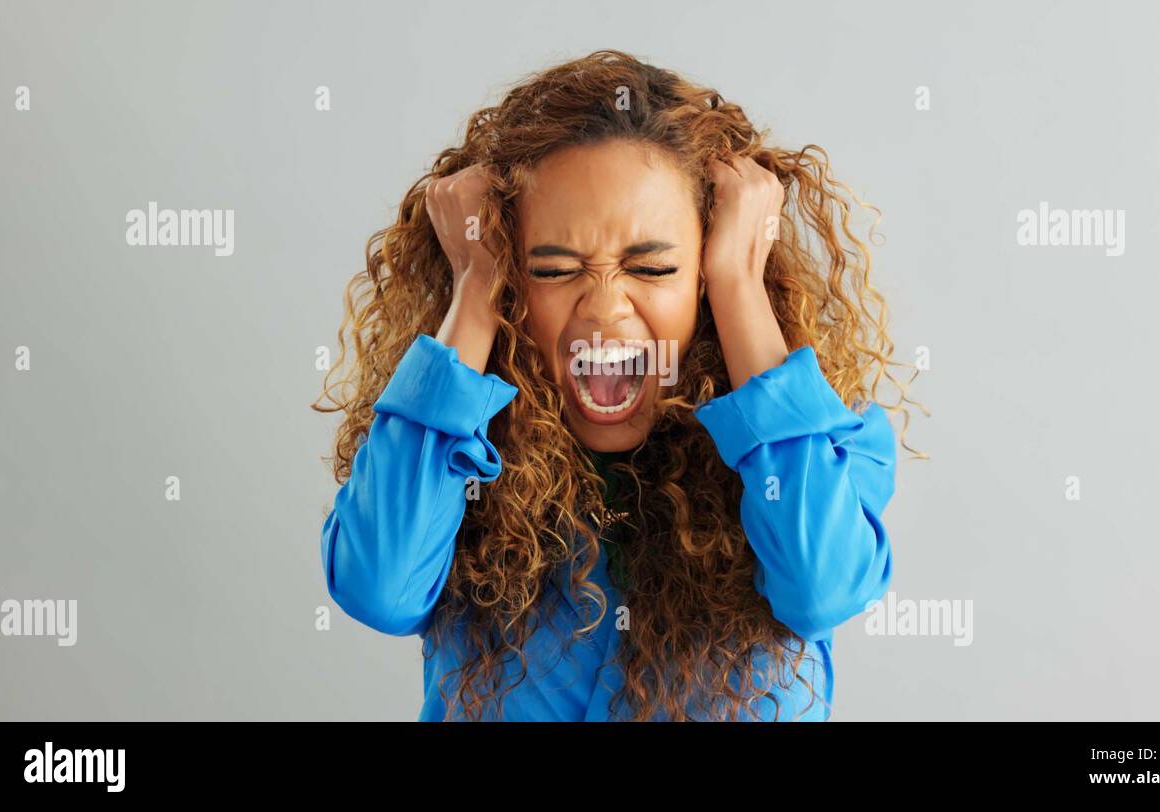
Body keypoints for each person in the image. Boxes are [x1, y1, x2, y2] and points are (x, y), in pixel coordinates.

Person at [314, 49, 920, 721]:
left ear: (705, 278)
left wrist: (742, 285)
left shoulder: (834, 449)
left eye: (653, 268)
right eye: (552, 270)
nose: (604, 308)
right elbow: (380, 588)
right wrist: (475, 282)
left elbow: (823, 588)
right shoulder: (455, 460)